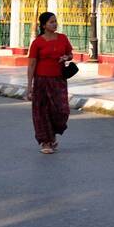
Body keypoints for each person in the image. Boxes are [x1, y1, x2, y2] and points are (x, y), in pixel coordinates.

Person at [27, 11, 74, 154]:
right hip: (41, 81)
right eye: (51, 22)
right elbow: (32, 65)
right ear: (44, 25)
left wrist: (66, 57)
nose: (54, 24)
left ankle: (52, 134)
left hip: (59, 80)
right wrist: (30, 86)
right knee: (42, 112)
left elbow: (71, 54)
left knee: (61, 110)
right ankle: (45, 142)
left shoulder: (63, 38)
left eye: (55, 21)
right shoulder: (37, 43)